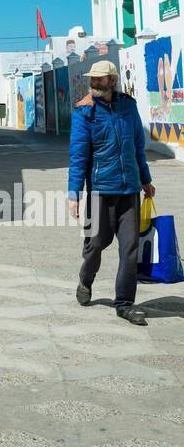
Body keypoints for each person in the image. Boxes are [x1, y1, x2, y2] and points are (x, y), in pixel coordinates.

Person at [68, 59, 155, 325]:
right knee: (96, 244)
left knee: (129, 246)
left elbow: (138, 147)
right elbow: (78, 155)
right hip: (100, 192)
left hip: (129, 189)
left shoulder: (128, 106)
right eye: (92, 78)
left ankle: (125, 303)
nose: (93, 82)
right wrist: (74, 193)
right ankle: (86, 278)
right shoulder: (84, 112)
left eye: (99, 79)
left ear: (112, 81)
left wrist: (145, 179)